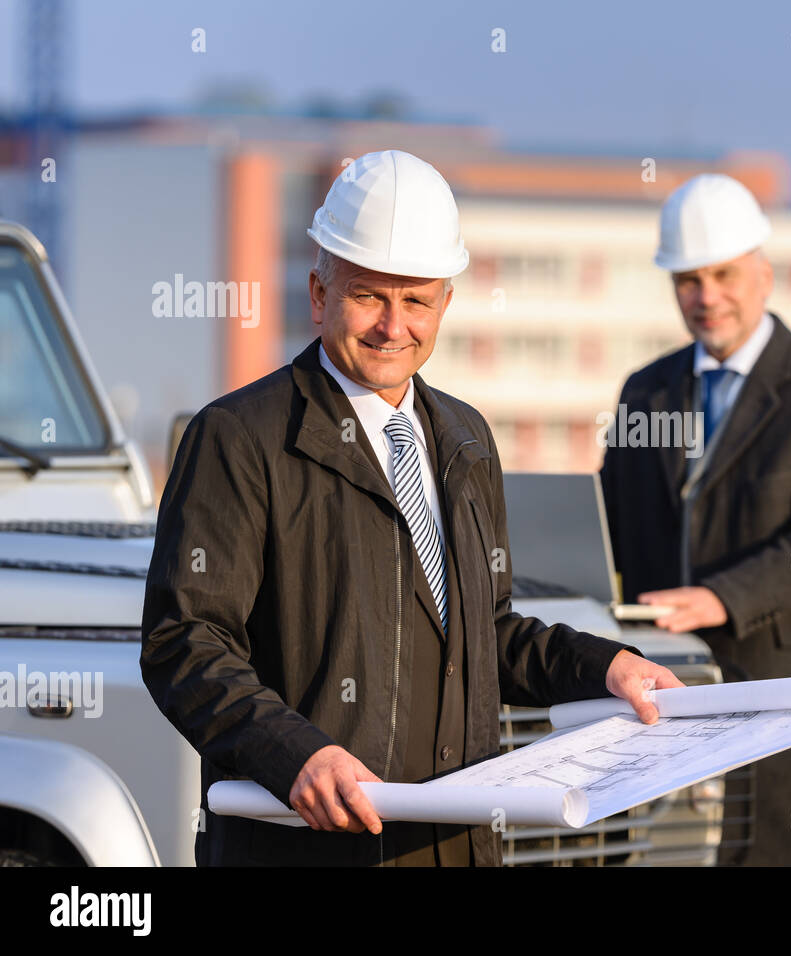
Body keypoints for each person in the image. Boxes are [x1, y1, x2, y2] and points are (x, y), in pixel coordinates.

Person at [141, 149, 681, 867]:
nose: (394, 326)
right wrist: (294, 755)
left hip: (453, 846)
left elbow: (484, 635)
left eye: (417, 300)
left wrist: (604, 663)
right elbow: (187, 643)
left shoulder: (466, 439)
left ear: (446, 304)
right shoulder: (239, 438)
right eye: (369, 295)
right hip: (309, 848)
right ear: (318, 292)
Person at [599, 174, 791, 866]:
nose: (706, 297)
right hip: (672, 694)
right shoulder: (648, 389)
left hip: (788, 694)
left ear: (763, 272)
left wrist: (726, 596)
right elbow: (611, 514)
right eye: (688, 280)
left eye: (723, 274)